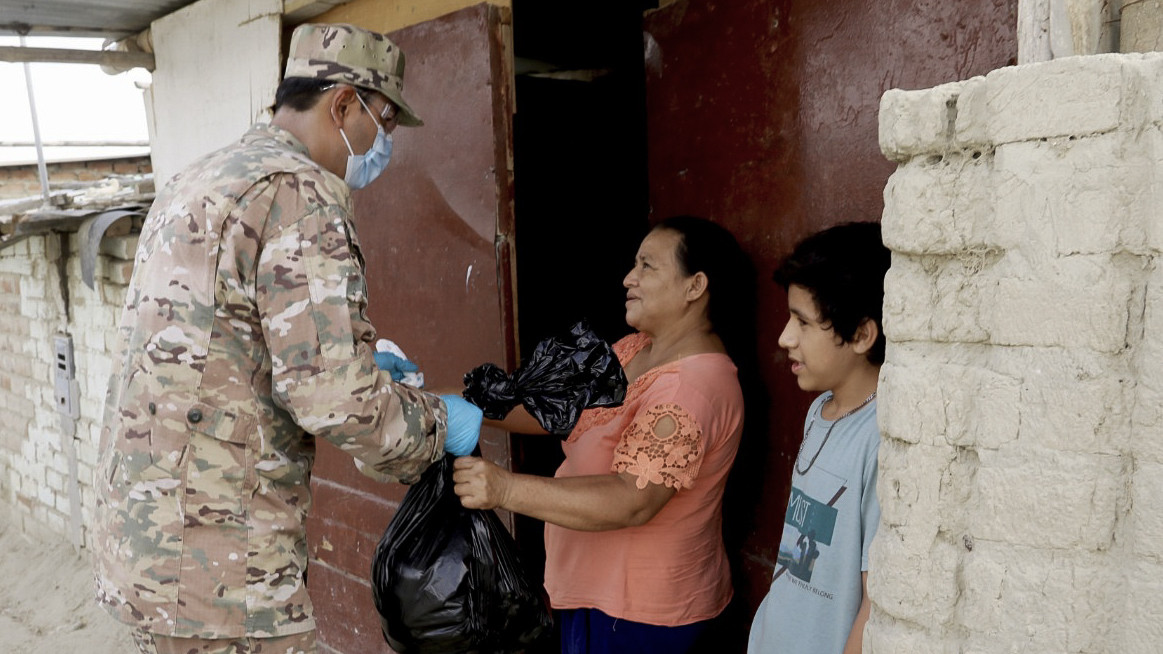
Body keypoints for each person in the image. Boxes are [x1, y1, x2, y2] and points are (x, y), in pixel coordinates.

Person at [90, 23, 483, 654]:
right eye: (384, 120)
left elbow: (226, 340)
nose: (386, 143)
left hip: (149, 539)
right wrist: (439, 425)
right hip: (224, 564)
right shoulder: (301, 195)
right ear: (344, 104)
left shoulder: (200, 179)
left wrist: (356, 354)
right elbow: (336, 399)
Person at [453, 215, 755, 654]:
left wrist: (504, 488)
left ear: (695, 287)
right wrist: (432, 401)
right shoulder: (634, 349)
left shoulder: (693, 388)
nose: (629, 278)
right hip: (593, 598)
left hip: (644, 618)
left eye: (648, 266)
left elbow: (633, 499)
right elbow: (553, 410)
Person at [746, 221, 891, 654]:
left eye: (803, 323)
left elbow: (876, 601)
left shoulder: (882, 437)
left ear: (862, 334)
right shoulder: (819, 410)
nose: (784, 337)